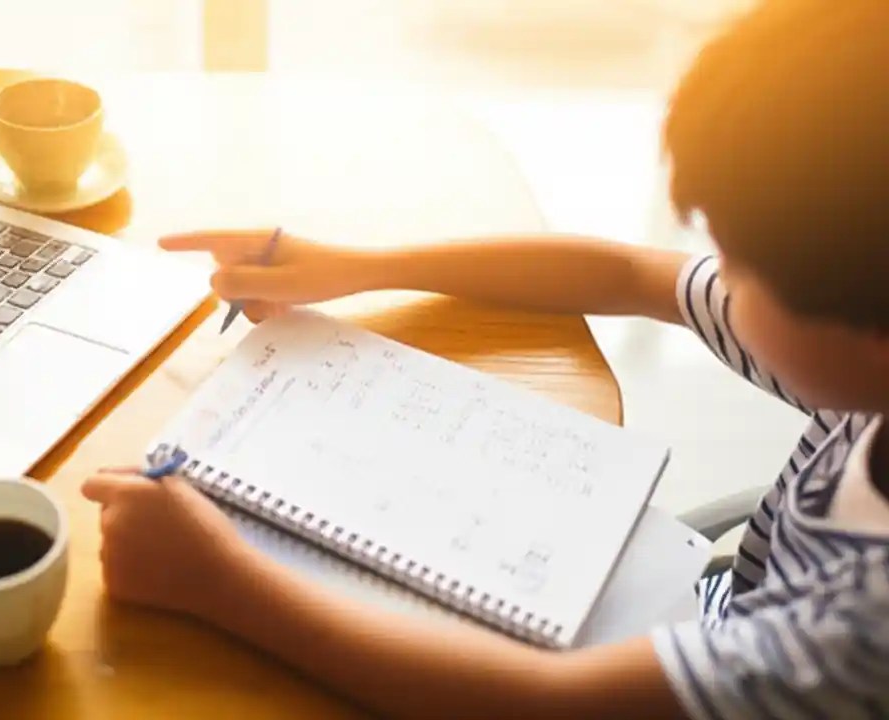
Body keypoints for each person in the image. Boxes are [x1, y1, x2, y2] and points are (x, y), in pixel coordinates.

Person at [81, 1, 889, 717]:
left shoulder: (861, 638)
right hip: (706, 622)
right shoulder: (862, 353)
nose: (721, 283)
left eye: (740, 268)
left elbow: (546, 704)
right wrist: (360, 267)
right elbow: (632, 274)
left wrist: (219, 581)